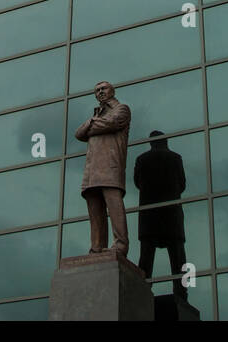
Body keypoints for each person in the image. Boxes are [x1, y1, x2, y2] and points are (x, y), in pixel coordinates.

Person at [74, 80, 131, 256]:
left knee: (114, 207)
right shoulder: (96, 116)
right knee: (95, 210)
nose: (100, 92)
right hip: (92, 170)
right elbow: (78, 133)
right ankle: (96, 247)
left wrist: (90, 125)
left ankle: (121, 245)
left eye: (103, 88)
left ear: (112, 90)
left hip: (110, 167)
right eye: (97, 90)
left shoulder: (122, 109)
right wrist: (93, 121)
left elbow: (111, 123)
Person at [134, 131, 188, 299]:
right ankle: (181, 293)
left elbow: (138, 182)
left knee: (146, 258)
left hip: (149, 216)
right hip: (171, 214)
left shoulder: (142, 159)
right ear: (165, 142)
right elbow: (182, 184)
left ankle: (142, 292)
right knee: (178, 257)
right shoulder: (175, 158)